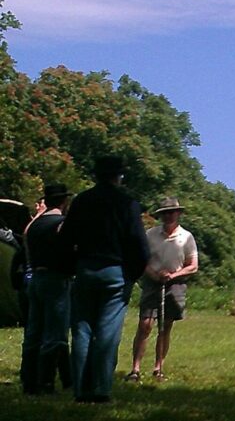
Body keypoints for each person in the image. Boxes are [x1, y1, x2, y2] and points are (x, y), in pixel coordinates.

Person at [59, 156, 150, 403]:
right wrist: (134, 273)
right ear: (119, 176)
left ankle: (80, 388)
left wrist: (72, 266)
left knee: (81, 330)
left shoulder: (82, 201)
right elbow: (139, 244)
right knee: (108, 332)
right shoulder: (127, 204)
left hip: (86, 267)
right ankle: (100, 388)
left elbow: (66, 238)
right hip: (115, 270)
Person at [126, 197, 198, 382]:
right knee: (145, 325)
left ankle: (158, 368)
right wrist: (154, 274)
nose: (168, 216)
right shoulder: (151, 234)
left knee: (165, 327)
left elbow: (193, 265)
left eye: (172, 212)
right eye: (165, 213)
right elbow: (142, 260)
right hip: (152, 282)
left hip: (175, 284)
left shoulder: (186, 237)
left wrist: (174, 275)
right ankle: (135, 369)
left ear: (178, 214)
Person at [19, 184, 73, 394]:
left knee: (33, 332)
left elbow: (25, 241)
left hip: (36, 279)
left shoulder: (34, 225)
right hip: (57, 279)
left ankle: (29, 379)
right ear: (63, 201)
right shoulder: (62, 224)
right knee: (55, 333)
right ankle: (46, 381)